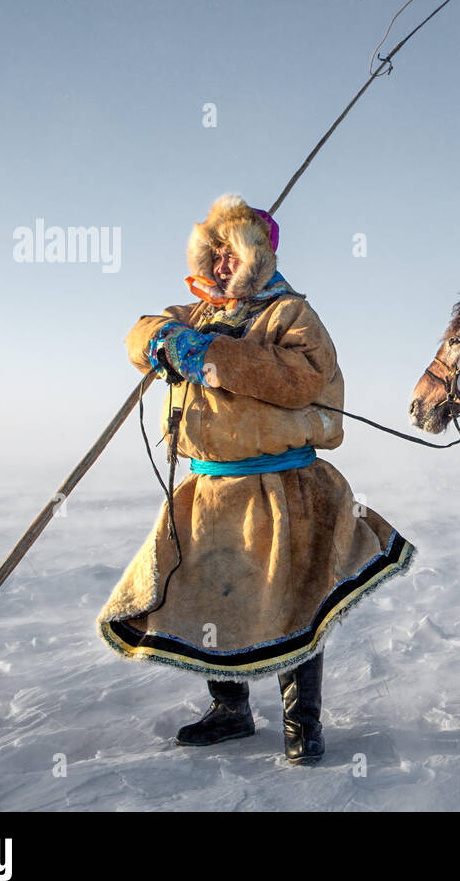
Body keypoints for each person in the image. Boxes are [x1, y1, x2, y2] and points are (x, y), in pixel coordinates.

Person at [97, 194, 415, 764]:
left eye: (233, 253)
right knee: (212, 598)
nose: (222, 264)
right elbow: (138, 334)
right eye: (214, 253)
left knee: (292, 602)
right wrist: (163, 342)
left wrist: (213, 355)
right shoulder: (194, 315)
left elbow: (299, 378)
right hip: (208, 488)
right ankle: (230, 709)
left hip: (280, 487)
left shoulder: (290, 315)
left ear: (258, 258)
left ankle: (302, 722)